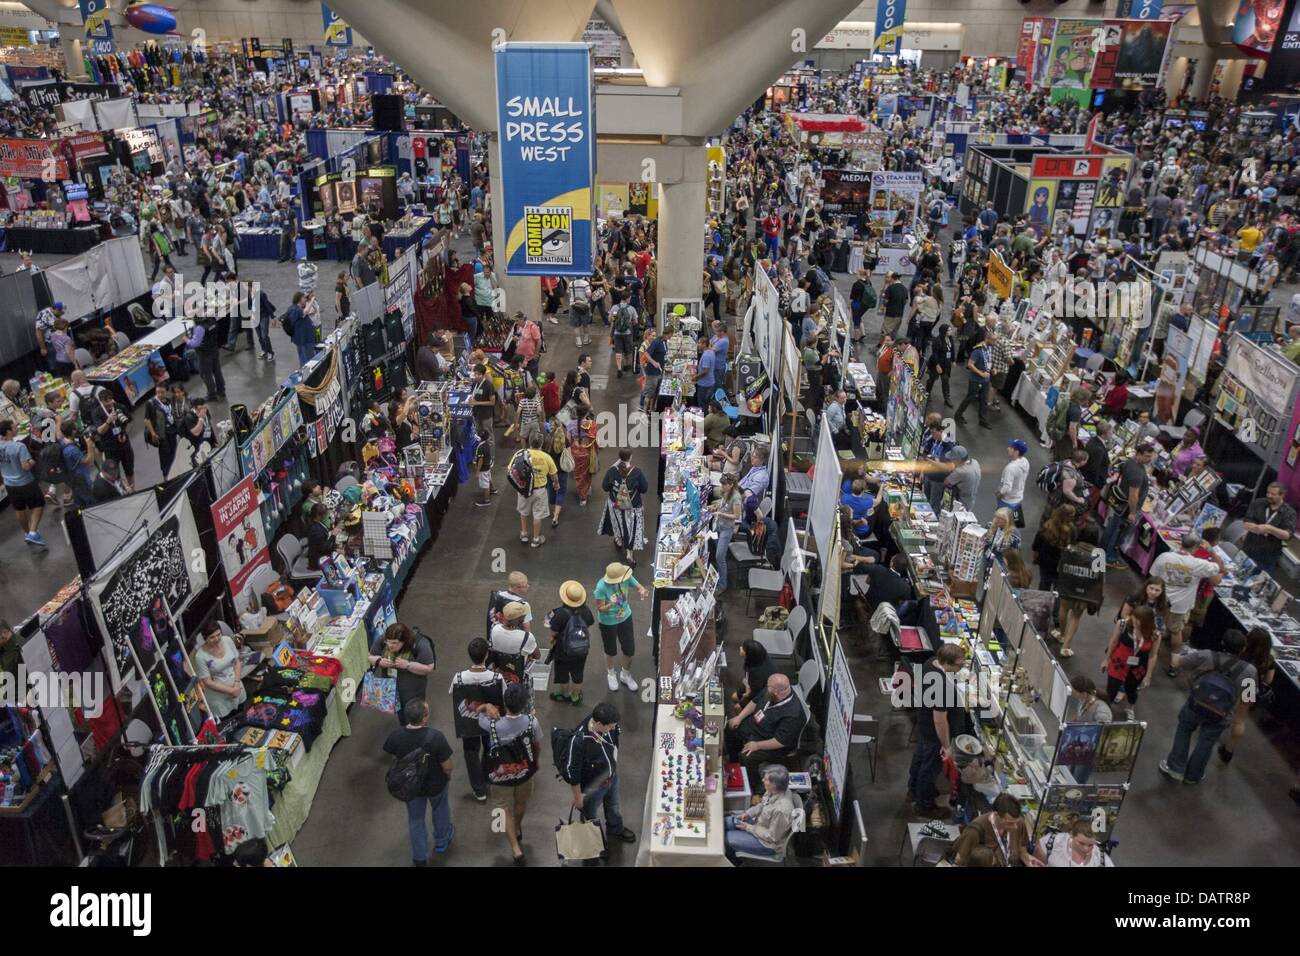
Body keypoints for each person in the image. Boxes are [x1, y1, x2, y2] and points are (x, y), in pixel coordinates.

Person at [1159, 629, 1258, 786]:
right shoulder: (1250, 671)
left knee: (1184, 730)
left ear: (1222, 643)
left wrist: (1176, 653)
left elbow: (1177, 662)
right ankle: (1193, 776)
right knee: (1207, 741)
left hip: (1195, 704)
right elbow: (1248, 699)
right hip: (1221, 713)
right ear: (1243, 648)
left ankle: (1175, 768)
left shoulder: (1206, 655)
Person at [383, 698, 454, 863]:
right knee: (440, 809)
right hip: (436, 783)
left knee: (415, 819)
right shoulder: (435, 737)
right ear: (424, 719)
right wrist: (448, 775)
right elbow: (447, 765)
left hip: (411, 787)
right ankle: (442, 842)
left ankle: (419, 856)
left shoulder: (396, 735)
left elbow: (393, 754)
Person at [476, 682, 541, 865]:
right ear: (524, 704)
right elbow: (536, 745)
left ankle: (515, 849)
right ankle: (518, 827)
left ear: (505, 704)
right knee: (521, 802)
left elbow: (477, 715)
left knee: (502, 808)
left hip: (500, 774)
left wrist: (485, 706)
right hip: (524, 771)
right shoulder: (531, 722)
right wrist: (536, 761)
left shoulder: (494, 725)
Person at [561, 702, 636, 846]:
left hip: (611, 778)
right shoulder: (578, 741)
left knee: (614, 806)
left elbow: (614, 745)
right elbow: (573, 772)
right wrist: (578, 796)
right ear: (599, 724)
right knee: (591, 817)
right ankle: (595, 844)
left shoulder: (607, 728)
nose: (614, 729)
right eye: (611, 726)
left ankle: (615, 829)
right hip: (591, 788)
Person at [1150, 533, 1224, 678]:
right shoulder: (1198, 564)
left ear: (1180, 542)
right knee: (1176, 632)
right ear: (1196, 547)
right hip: (1180, 606)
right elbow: (1221, 569)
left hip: (1160, 600)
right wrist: (1211, 551)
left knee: (1154, 627)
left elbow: (1153, 577)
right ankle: (1174, 664)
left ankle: (1148, 653)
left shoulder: (1164, 557)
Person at [907, 643, 964, 816]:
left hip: (923, 723)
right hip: (934, 732)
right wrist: (946, 746)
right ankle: (924, 805)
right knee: (930, 768)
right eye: (959, 665)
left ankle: (913, 789)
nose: (962, 668)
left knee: (920, 758)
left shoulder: (931, 662)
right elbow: (940, 720)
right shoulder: (942, 688)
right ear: (948, 663)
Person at [448, 637, 504, 802]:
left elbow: (453, 693)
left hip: (468, 722)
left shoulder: (459, 677)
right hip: (488, 721)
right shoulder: (496, 678)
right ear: (486, 655)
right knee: (488, 747)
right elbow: (503, 695)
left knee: (470, 752)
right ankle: (487, 777)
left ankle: (479, 790)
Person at [726, 672, 804, 789]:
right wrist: (739, 717)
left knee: (747, 756)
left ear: (777, 691)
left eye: (769, 687)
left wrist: (757, 745)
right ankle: (734, 764)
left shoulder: (793, 714)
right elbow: (755, 702)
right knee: (730, 728)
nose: (766, 689)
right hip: (755, 726)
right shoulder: (771, 692)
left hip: (770, 741)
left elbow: (780, 741)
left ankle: (752, 786)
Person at [1218, 627, 1275, 765]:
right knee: (1240, 721)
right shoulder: (1269, 660)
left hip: (1233, 682)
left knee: (1220, 708)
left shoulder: (1240, 653)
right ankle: (1229, 750)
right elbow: (1268, 681)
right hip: (1250, 687)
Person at [725, 764, 798, 864]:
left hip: (767, 844)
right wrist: (748, 813)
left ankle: (735, 863)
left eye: (766, 779)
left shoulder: (782, 810)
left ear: (774, 785)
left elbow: (772, 837)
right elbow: (762, 805)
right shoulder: (773, 791)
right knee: (726, 822)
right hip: (758, 824)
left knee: (726, 839)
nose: (763, 780)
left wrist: (748, 828)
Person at [593, 562, 647, 693]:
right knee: (610, 650)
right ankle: (611, 674)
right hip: (608, 621)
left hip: (625, 617)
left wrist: (642, 591)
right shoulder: (601, 587)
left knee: (629, 649)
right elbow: (600, 609)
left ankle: (625, 674)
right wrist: (610, 604)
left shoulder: (626, 577)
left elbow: (639, 587)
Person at [369, 623, 436, 724]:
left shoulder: (420, 644)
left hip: (413, 689)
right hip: (391, 686)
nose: (390, 645)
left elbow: (429, 667)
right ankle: (405, 726)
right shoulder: (384, 639)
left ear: (404, 641)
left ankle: (418, 728)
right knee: (400, 711)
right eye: (388, 642)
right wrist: (379, 661)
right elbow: (370, 656)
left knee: (415, 712)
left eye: (395, 643)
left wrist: (408, 665)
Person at [1055, 522, 1106, 658]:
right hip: (1085, 591)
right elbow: (1099, 577)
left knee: (1063, 609)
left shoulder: (1070, 548)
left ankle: (1061, 634)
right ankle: (1066, 646)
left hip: (1068, 586)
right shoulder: (1098, 555)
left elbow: (1060, 567)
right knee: (1076, 616)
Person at [1102, 441, 1155, 568]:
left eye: (1150, 457)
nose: (1149, 459)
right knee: (1119, 532)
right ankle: (1110, 557)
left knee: (1113, 526)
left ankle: (1103, 550)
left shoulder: (1130, 462)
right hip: (1127, 507)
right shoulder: (1137, 472)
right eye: (1147, 456)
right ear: (1138, 454)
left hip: (1120, 503)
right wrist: (1132, 513)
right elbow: (1133, 495)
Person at [1102, 604, 1160, 720]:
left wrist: (1148, 676)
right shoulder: (1123, 624)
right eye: (1135, 617)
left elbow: (1152, 656)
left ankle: (1130, 707)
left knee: (1131, 690)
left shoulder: (1155, 635)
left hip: (1138, 668)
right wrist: (1106, 659)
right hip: (1118, 663)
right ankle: (1105, 711)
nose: (1136, 622)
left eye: (1140, 620)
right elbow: (1113, 642)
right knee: (1111, 689)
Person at [954, 793, 1042, 867]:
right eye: (1010, 823)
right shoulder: (975, 831)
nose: (1015, 827)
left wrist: (1026, 857)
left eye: (1016, 822)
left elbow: (1022, 848)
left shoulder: (1019, 823)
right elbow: (959, 860)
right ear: (996, 815)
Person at [0, 419, 47, 547]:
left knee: (19, 508)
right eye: (15, 427)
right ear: (9, 431)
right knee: (38, 505)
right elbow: (26, 467)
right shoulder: (19, 447)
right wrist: (32, 461)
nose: (17, 428)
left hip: (9, 483)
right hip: (25, 482)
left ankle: (27, 533)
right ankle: (32, 533)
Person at [546, 581, 594, 705]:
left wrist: (553, 639)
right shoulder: (586, 611)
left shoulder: (560, 613)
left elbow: (553, 632)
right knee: (578, 673)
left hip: (563, 649)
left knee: (562, 672)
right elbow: (589, 623)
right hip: (581, 649)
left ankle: (565, 695)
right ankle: (575, 696)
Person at [599, 450, 649, 563]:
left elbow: (605, 487)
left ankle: (618, 539)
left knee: (618, 523)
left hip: (615, 505)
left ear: (619, 457)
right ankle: (629, 554)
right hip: (632, 506)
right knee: (631, 529)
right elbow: (644, 489)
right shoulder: (637, 472)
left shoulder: (612, 470)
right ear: (630, 457)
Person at [1238, 481, 1297, 575]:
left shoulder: (1289, 513)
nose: (1269, 495)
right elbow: (1246, 523)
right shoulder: (1258, 503)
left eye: (1273, 494)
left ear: (1282, 495)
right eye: (1268, 492)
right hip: (1248, 550)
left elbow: (1287, 535)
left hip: (1267, 557)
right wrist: (1259, 529)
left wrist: (1270, 529)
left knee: (1257, 585)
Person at [193, 621, 246, 719]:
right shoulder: (200, 656)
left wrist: (237, 684)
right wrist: (231, 691)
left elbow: (237, 662)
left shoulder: (227, 640)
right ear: (205, 638)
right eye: (212, 637)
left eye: (218, 635)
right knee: (228, 723)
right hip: (219, 697)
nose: (217, 639)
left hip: (236, 686)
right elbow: (208, 682)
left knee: (243, 715)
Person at [516, 432, 559, 548]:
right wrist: (556, 484)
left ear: (529, 441)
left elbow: (512, 469)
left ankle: (524, 534)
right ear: (541, 444)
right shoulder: (546, 457)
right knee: (537, 515)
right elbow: (554, 475)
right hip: (540, 490)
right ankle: (535, 539)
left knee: (523, 511)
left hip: (524, 489)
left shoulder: (521, 454)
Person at [1033, 504, 1076, 595]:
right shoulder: (1072, 530)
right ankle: (1055, 607)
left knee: (1044, 585)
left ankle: (1040, 605)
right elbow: (1073, 546)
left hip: (1045, 564)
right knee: (1058, 590)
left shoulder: (1047, 527)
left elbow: (1036, 545)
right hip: (1061, 566)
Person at [953, 331, 993, 429]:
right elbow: (970, 365)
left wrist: (992, 369)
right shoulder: (977, 350)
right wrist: (981, 373)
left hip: (986, 380)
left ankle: (982, 420)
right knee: (970, 398)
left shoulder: (989, 348)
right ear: (987, 339)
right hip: (975, 379)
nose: (996, 342)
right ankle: (958, 415)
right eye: (994, 340)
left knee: (984, 399)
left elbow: (988, 361)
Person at [1035, 820, 1114, 868]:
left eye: (1090, 845)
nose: (1086, 848)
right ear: (1071, 834)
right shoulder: (1051, 842)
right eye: (1081, 843)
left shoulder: (1102, 860)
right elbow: (1035, 864)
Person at [143, 381, 180, 477]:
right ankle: (166, 476)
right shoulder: (151, 404)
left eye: (162, 392)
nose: (160, 394)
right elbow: (146, 420)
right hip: (161, 434)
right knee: (165, 455)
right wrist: (153, 433)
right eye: (158, 392)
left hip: (172, 431)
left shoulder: (169, 401)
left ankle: (174, 472)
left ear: (167, 392)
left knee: (173, 452)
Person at [998, 439, 1030, 519]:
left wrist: (999, 494)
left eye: (1011, 447)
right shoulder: (1025, 462)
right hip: (1018, 498)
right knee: (1012, 522)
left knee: (1002, 524)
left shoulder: (1011, 468)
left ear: (1017, 452)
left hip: (1007, 502)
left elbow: (1007, 488)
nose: (1008, 448)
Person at [925, 323, 955, 406]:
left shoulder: (950, 338)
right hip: (937, 363)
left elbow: (952, 350)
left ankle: (947, 398)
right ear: (944, 331)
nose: (950, 331)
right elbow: (935, 354)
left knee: (945, 380)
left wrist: (953, 360)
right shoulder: (937, 340)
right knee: (932, 379)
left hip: (946, 364)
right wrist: (937, 365)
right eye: (949, 330)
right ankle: (927, 393)